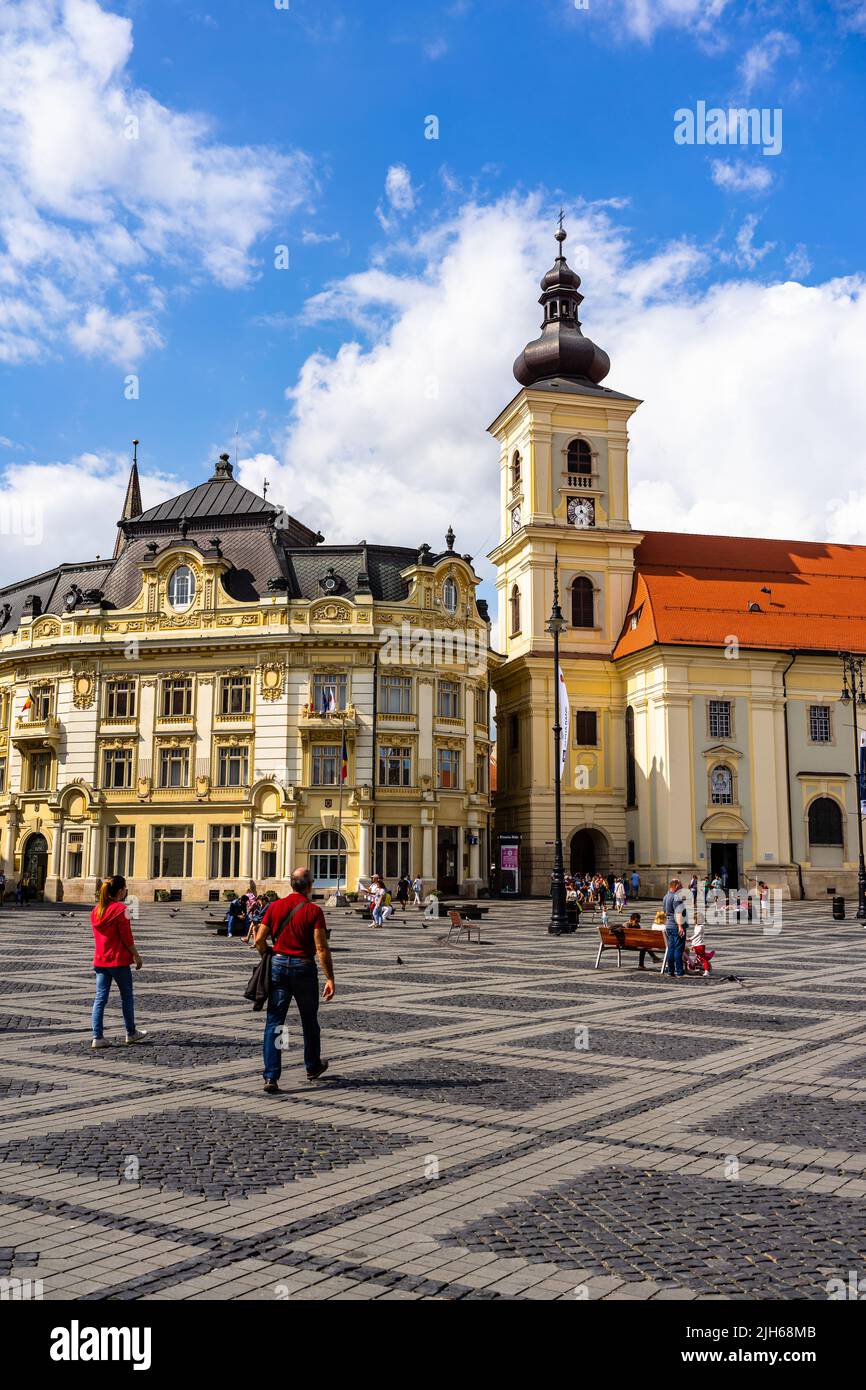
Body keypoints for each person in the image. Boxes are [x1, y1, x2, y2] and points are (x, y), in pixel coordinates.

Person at [256, 866, 334, 1095]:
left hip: (278, 967)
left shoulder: (275, 906)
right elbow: (321, 947)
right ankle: (312, 1066)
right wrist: (330, 978)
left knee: (276, 1022)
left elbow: (259, 939)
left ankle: (272, 1075)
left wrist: (268, 956)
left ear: (291, 884)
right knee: (309, 1020)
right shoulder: (313, 911)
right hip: (303, 968)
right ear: (310, 885)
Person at [90, 875, 147, 1050]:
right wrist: (137, 956)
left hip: (101, 961)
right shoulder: (120, 909)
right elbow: (127, 938)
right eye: (125, 888)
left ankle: (97, 1036)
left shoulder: (96, 911)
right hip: (118, 961)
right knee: (126, 997)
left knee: (100, 998)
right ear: (121, 891)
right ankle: (131, 1033)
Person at [662, 877, 688, 979]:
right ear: (676, 886)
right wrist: (680, 926)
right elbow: (678, 912)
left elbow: (665, 912)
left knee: (671, 948)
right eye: (681, 886)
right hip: (676, 925)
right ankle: (680, 972)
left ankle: (670, 971)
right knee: (678, 949)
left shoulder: (666, 896)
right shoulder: (677, 897)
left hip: (669, 925)